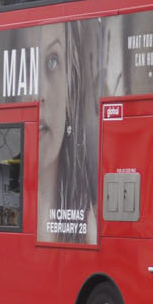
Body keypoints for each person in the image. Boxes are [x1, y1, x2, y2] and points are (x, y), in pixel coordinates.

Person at [36, 19, 100, 243]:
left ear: (69, 85)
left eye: (52, 61)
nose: (39, 93)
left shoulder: (89, 226)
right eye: (28, 66)